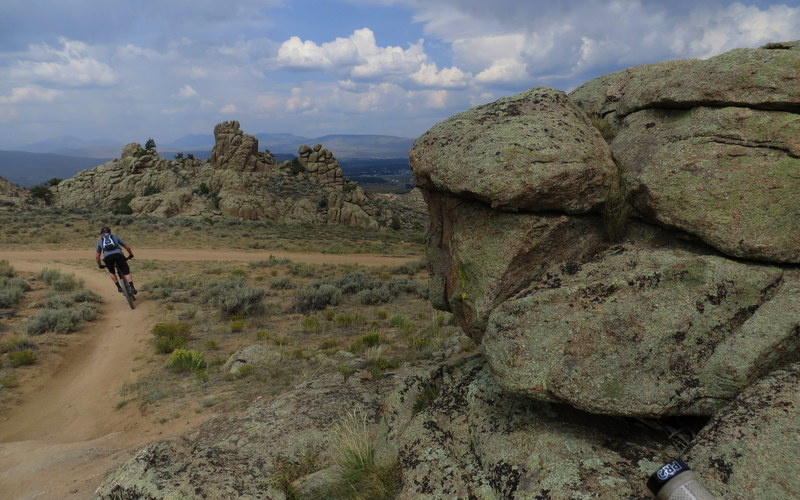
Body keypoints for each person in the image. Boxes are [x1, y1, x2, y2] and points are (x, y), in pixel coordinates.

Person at [95, 226, 137, 294]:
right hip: (119, 255)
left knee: (111, 272)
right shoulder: (115, 237)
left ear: (101, 233)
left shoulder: (100, 241)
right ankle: (132, 287)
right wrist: (131, 254)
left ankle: (119, 287)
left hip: (108, 258)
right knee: (126, 272)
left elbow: (97, 256)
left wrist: (100, 265)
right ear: (110, 232)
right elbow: (127, 247)